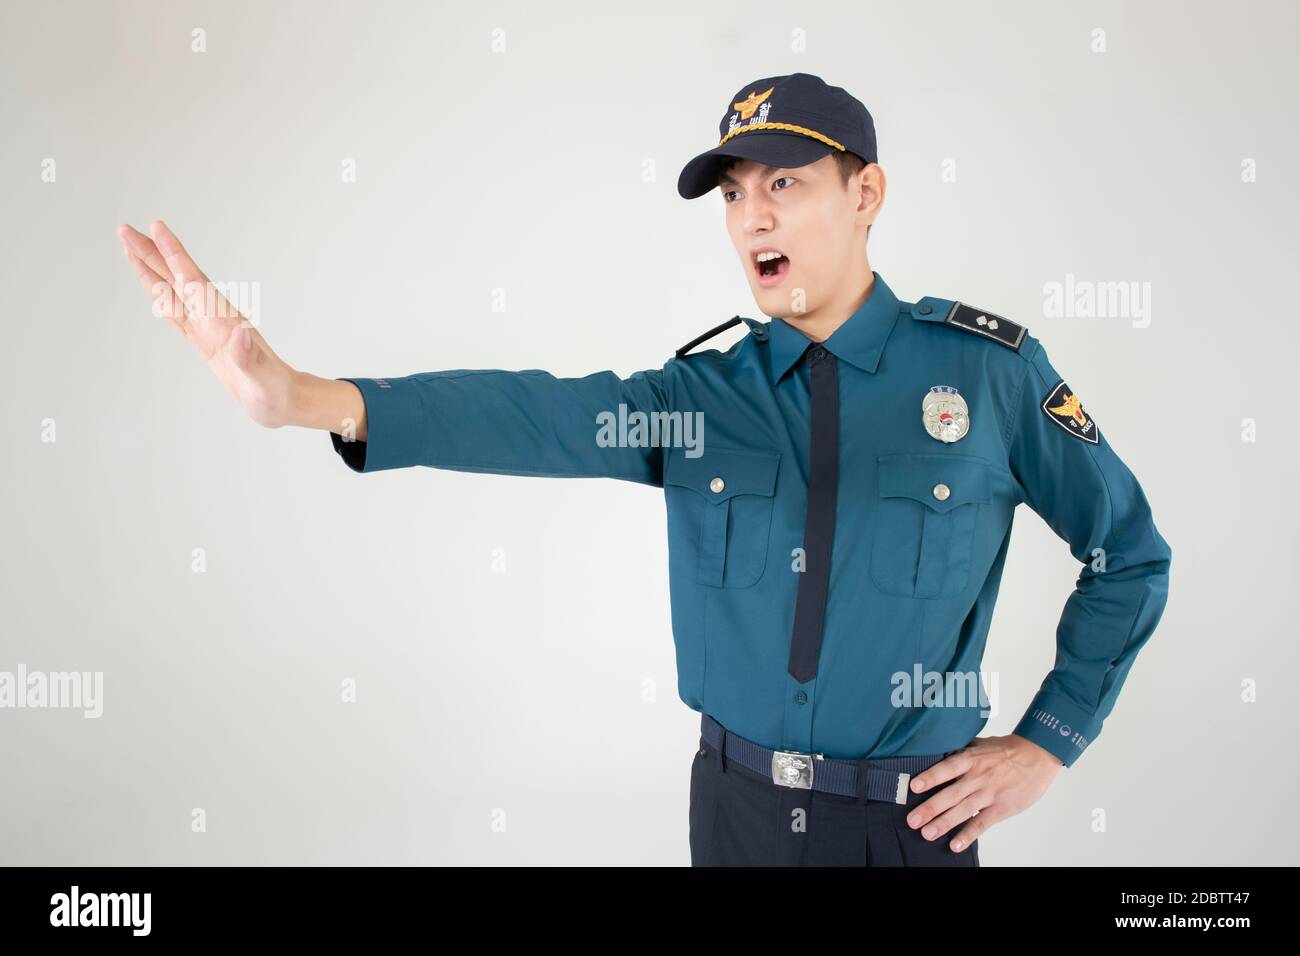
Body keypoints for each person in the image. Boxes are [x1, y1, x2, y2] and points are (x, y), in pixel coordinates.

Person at [116, 71, 1171, 867]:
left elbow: (1127, 552)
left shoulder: (985, 374)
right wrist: (307, 398)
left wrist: (1048, 742)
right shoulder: (703, 398)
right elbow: (536, 415)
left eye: (786, 184)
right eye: (732, 194)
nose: (751, 215)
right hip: (733, 812)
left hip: (905, 825)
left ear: (867, 192)